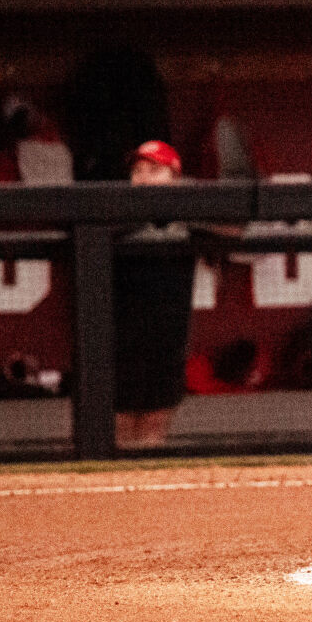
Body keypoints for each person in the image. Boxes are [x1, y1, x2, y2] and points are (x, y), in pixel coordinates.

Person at [113, 139, 196, 448]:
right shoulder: (113, 215)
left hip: (168, 338)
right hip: (118, 337)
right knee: (118, 428)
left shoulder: (190, 216)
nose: (143, 177)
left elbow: (236, 229)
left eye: (153, 170)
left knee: (154, 428)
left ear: (174, 176)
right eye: (137, 170)